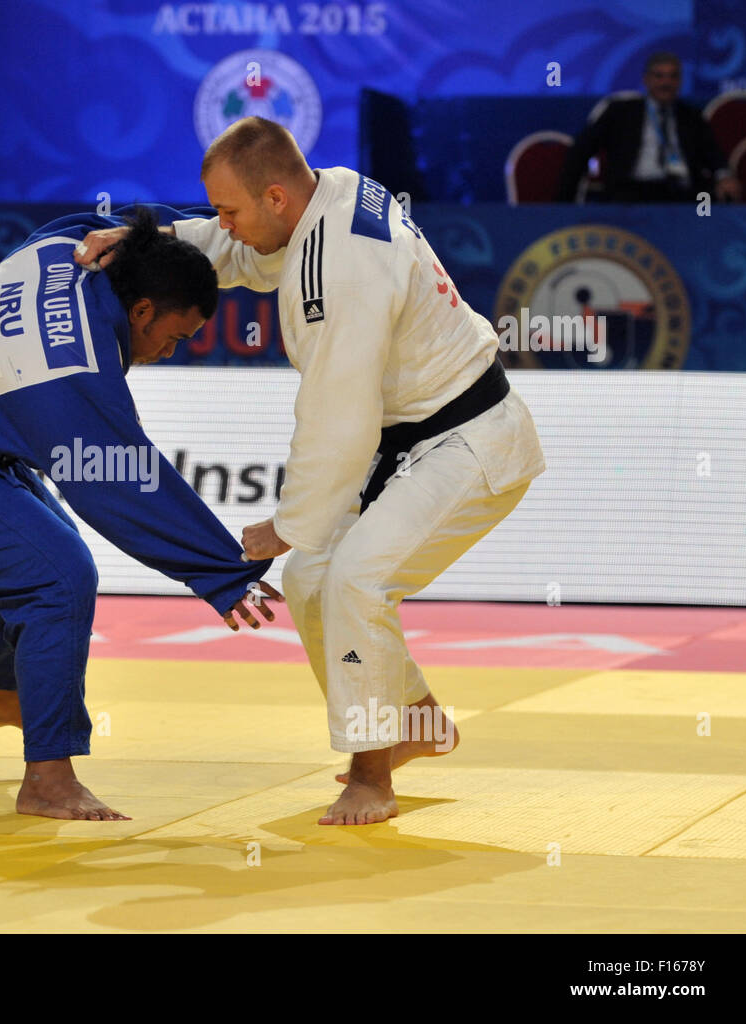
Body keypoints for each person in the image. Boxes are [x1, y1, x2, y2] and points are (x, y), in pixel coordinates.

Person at [77, 117, 546, 826]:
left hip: (472, 441)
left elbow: (339, 416)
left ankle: (371, 776)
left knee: (356, 577)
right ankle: (414, 718)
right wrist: (155, 242)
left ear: (274, 196)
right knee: (310, 579)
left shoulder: (342, 270)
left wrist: (289, 523)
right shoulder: (329, 194)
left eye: (229, 209)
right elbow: (240, 251)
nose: (222, 223)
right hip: (416, 438)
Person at [0, 207, 281, 821]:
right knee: (59, 576)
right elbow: (124, 484)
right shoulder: (73, 367)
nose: (169, 351)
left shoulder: (70, 248)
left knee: (40, 550)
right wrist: (221, 570)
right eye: (175, 336)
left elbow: (130, 219)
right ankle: (47, 781)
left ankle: (2, 691)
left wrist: (203, 226)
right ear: (140, 310)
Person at [557, 52, 741, 203]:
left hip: (682, 192)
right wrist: (565, 202)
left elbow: (713, 154)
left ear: (680, 81)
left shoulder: (691, 117)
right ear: (646, 80)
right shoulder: (620, 112)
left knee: (708, 202)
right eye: (659, 76)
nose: (666, 83)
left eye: (673, 76)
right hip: (631, 191)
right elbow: (581, 150)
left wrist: (724, 176)